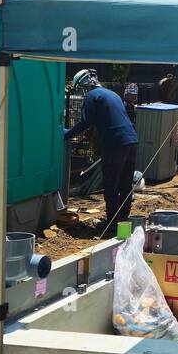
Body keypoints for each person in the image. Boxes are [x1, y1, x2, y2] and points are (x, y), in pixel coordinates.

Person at [65, 69, 139, 236]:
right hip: (131, 140)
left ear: (85, 85)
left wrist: (66, 134)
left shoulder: (92, 96)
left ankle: (112, 226)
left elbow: (85, 122)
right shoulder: (112, 94)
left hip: (115, 143)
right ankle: (122, 221)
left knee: (111, 184)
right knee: (125, 184)